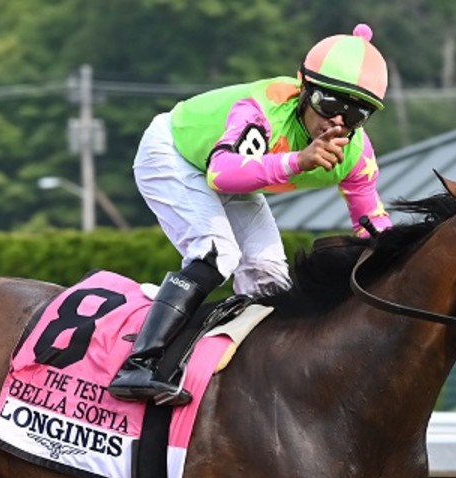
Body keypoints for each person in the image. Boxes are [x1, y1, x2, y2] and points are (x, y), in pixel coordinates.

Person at [109, 24, 394, 405]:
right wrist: (298, 160)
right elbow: (222, 174)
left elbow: (371, 224)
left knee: (268, 276)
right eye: (328, 104)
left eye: (356, 113)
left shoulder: (357, 155)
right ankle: (139, 364)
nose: (338, 122)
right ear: (304, 89)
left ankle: (258, 377)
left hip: (232, 173)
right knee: (217, 252)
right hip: (174, 152)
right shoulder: (264, 108)